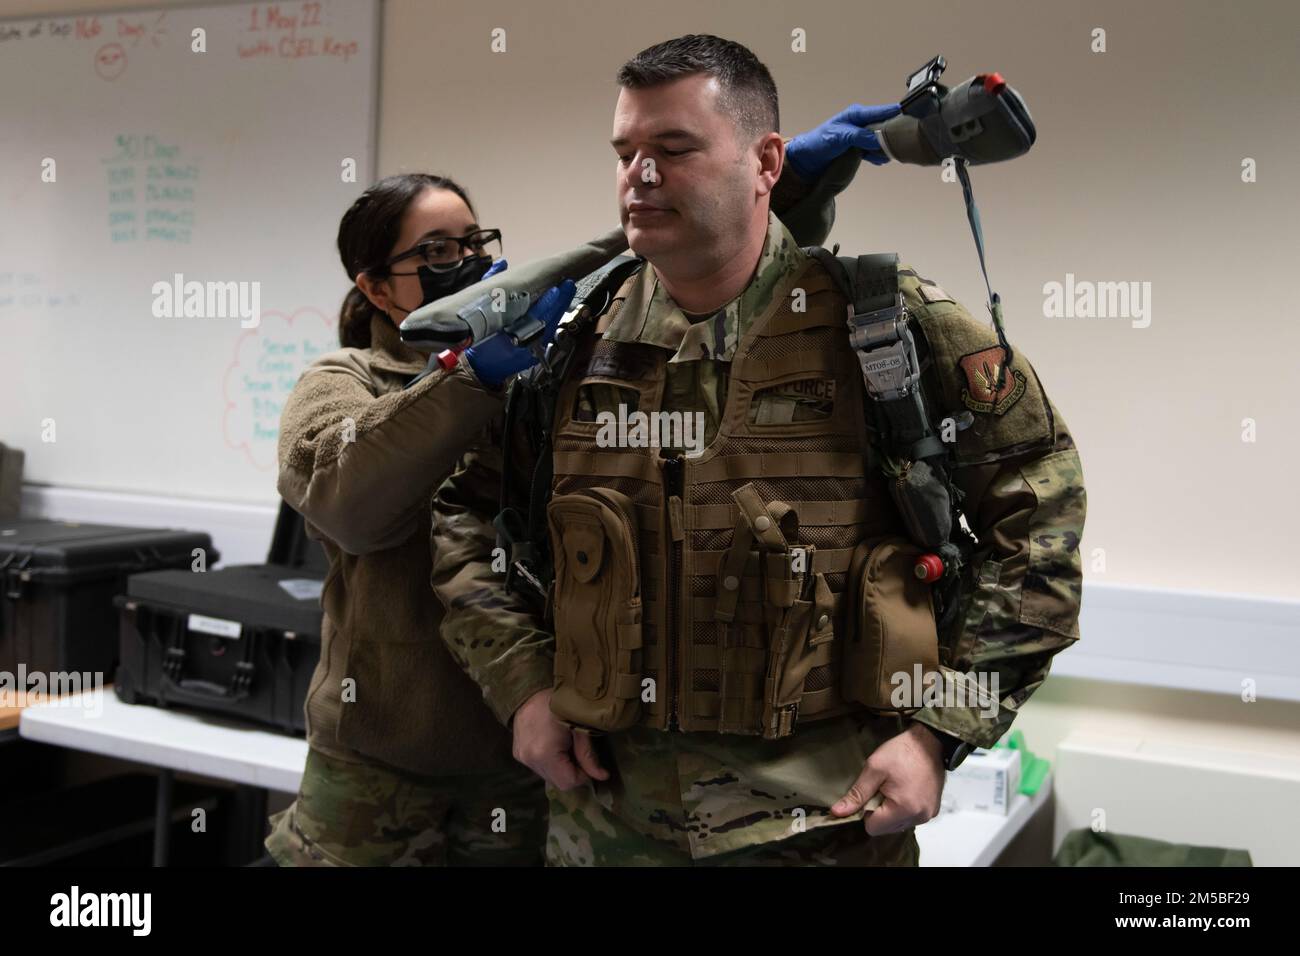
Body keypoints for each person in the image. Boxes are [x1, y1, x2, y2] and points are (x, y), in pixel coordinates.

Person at [430, 34, 1086, 866]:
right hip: (606, 821)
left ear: (767, 161)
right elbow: (465, 512)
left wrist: (937, 732)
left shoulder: (884, 327)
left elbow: (1040, 531)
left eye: (674, 149)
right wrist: (520, 684)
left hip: (821, 824)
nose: (642, 174)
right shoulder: (567, 342)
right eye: (626, 151)